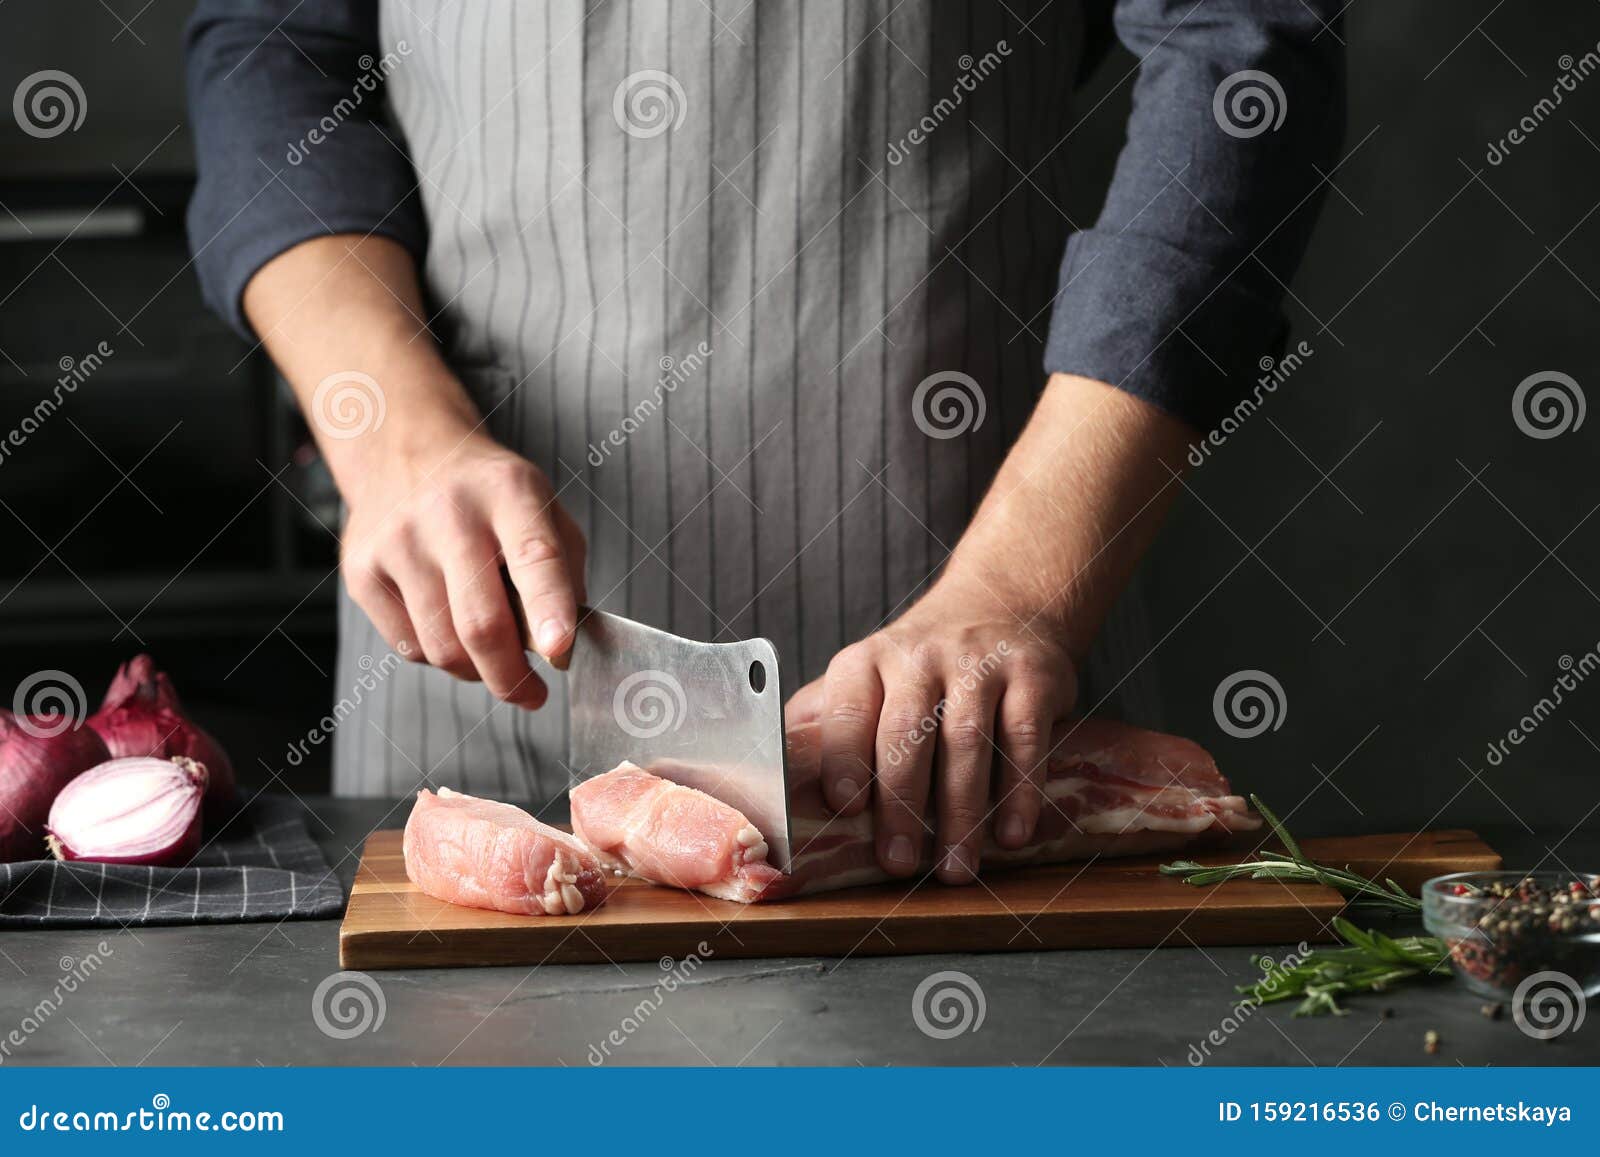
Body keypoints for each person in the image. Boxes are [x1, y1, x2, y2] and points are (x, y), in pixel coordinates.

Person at [185, 0, 1343, 885]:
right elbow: (270, 42)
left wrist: (1029, 578)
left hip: (974, 622)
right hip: (475, 642)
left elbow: (1236, 41)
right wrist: (383, 421)